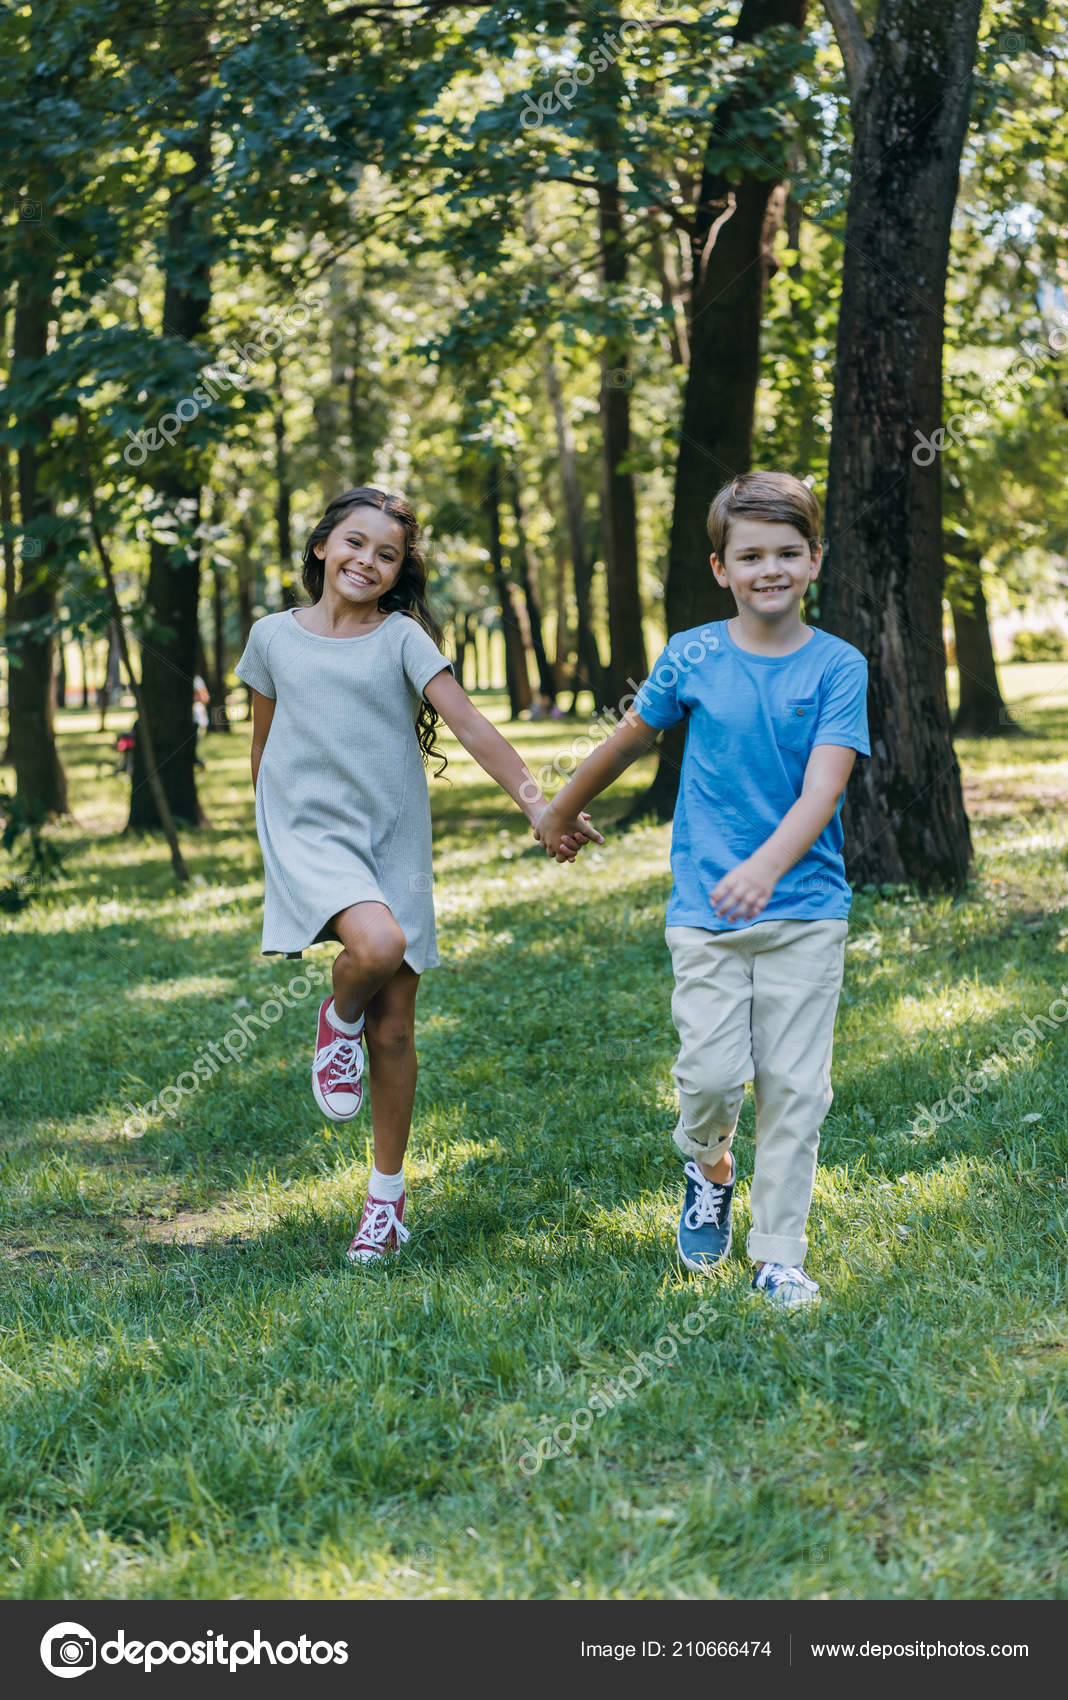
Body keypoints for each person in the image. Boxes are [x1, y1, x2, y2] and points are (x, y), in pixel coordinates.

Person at [234, 487, 600, 1266]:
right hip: (309, 832)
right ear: (322, 547)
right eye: (354, 543)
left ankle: (385, 1204)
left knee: (395, 1027)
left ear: (399, 573)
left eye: (387, 554)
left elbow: (468, 723)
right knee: (375, 944)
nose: (367, 560)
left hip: (391, 837)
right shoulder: (272, 637)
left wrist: (544, 807)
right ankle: (337, 1020)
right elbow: (262, 747)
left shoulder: (400, 637)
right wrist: (274, 843)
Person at [536, 472, 870, 1308]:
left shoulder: (839, 665)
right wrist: (557, 812)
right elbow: (625, 743)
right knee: (714, 1079)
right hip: (705, 913)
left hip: (807, 910)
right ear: (721, 567)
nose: (770, 569)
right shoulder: (691, 652)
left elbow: (823, 792)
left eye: (787, 553)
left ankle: (780, 1254)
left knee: (796, 1086)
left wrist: (764, 868)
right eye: (750, 554)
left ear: (814, 560)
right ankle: (710, 1164)